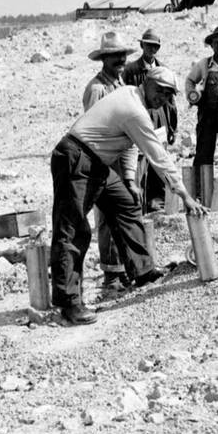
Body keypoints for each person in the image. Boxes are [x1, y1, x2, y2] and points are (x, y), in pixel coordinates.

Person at [50, 67, 206, 325]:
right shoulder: (134, 108)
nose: (163, 99)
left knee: (125, 203)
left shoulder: (133, 98)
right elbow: (158, 156)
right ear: (147, 83)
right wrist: (186, 196)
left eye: (169, 95)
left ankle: (142, 270)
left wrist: (131, 180)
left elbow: (131, 144)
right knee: (72, 229)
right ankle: (69, 303)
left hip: (97, 162)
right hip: (76, 159)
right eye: (160, 91)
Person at [82, 31, 134, 291]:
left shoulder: (120, 85)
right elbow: (91, 129)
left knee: (123, 214)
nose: (120, 60)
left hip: (120, 158)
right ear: (104, 59)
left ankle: (123, 268)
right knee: (105, 218)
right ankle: (111, 274)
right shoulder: (96, 88)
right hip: (102, 160)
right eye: (115, 56)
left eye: (122, 55)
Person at [123, 28, 177, 213]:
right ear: (141, 45)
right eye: (149, 45)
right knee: (139, 159)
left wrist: (172, 127)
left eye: (155, 46)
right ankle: (139, 200)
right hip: (140, 116)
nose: (152, 49)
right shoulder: (131, 70)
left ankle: (156, 199)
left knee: (158, 155)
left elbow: (171, 102)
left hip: (159, 119)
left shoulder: (164, 70)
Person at [185, 26, 218, 190]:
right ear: (211, 45)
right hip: (207, 115)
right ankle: (201, 189)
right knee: (204, 151)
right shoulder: (204, 64)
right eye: (216, 43)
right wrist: (192, 95)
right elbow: (189, 80)